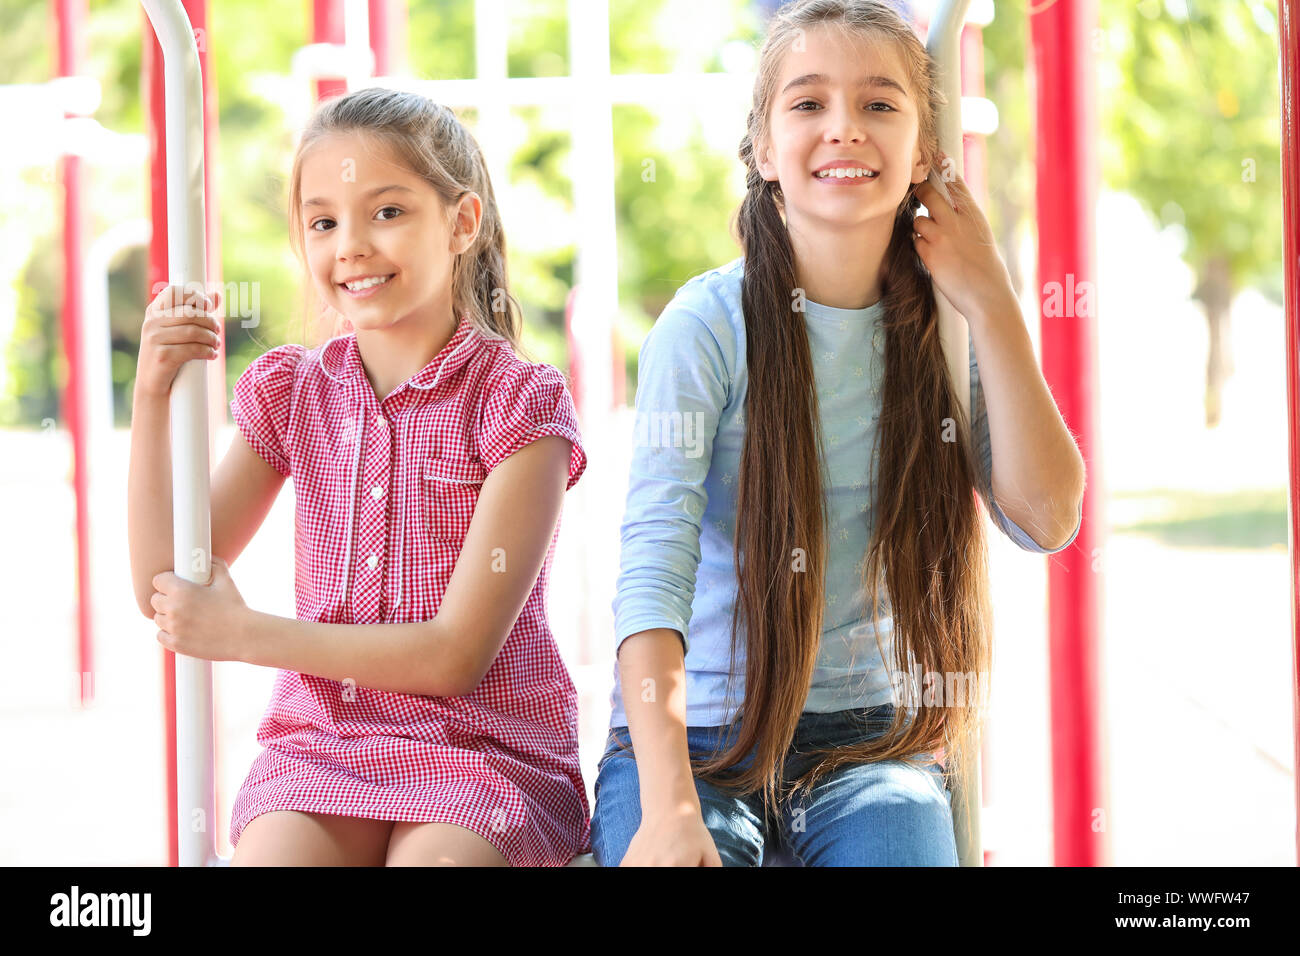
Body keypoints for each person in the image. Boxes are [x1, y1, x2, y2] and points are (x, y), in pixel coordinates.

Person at [592, 0, 1085, 866]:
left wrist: (993, 295)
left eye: (881, 105)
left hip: (867, 743)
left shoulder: (951, 323)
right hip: (698, 737)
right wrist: (669, 807)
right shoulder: (706, 326)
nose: (844, 129)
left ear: (927, 151)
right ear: (762, 148)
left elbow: (1046, 517)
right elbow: (650, 579)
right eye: (810, 104)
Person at [126, 86, 589, 867]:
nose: (351, 246)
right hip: (325, 749)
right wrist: (150, 394)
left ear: (462, 223)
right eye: (323, 221)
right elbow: (167, 583)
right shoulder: (295, 394)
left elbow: (453, 657)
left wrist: (246, 636)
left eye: (388, 212)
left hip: (483, 754)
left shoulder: (519, 406)